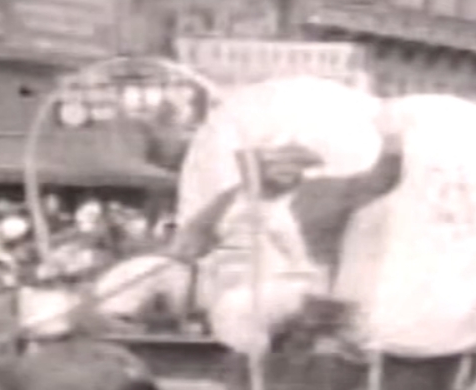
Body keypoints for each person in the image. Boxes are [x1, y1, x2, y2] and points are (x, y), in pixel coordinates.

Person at [166, 110, 406, 357]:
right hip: (223, 282)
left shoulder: (321, 193)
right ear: (254, 163)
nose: (287, 168)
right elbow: (194, 234)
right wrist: (186, 246)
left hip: (292, 287)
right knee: (148, 271)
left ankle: (260, 368)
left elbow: (378, 182)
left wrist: (392, 144)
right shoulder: (231, 198)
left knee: (237, 309)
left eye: (295, 163)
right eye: (276, 161)